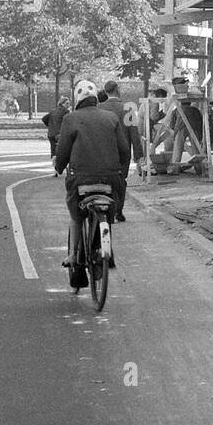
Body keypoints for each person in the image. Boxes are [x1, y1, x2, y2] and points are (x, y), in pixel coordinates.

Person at [53, 80, 129, 288]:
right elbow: (124, 149)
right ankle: (107, 251)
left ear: (78, 100)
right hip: (111, 179)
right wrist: (120, 171)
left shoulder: (70, 119)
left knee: (76, 216)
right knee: (109, 209)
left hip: (81, 180)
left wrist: (59, 167)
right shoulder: (112, 118)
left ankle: (75, 257)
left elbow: (63, 152)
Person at [97, 80, 143, 217]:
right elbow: (134, 132)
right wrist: (139, 155)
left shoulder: (99, 108)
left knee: (105, 179)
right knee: (121, 180)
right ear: (117, 89)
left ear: (105, 92)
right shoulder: (128, 108)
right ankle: (119, 210)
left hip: (104, 150)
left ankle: (107, 208)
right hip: (123, 151)